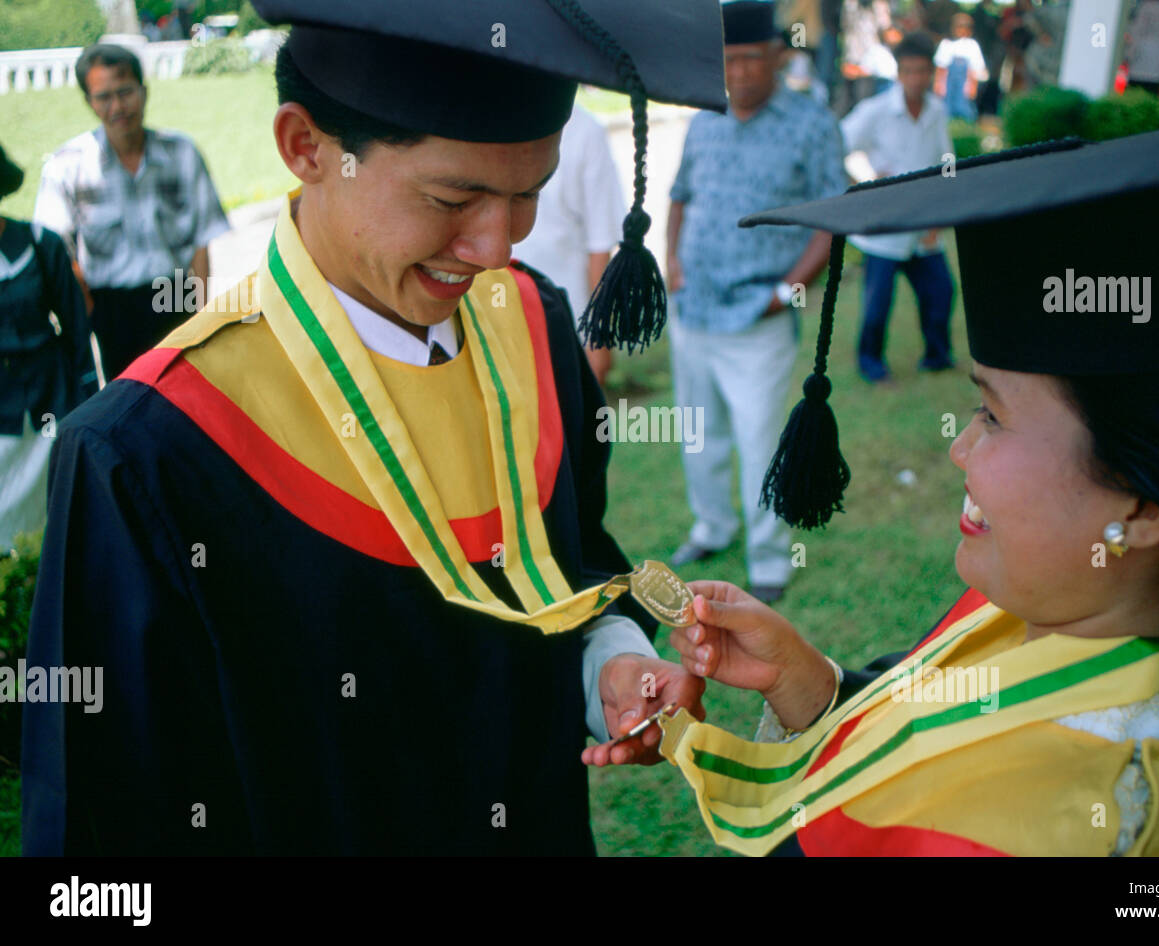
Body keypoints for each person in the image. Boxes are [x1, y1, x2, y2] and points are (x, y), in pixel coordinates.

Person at [21, 0, 727, 855]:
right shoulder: (151, 447)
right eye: (452, 197)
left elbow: (569, 563)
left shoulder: (532, 327)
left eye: (529, 196)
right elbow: (107, 802)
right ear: (305, 146)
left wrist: (606, 662)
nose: (495, 248)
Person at [622, 108, 1159, 856]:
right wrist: (805, 681)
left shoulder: (1061, 823)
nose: (960, 448)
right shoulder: (1050, 608)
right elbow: (914, 745)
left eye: (993, 415)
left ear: (1140, 505)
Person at [664, 0, 847, 606]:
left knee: (761, 440)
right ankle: (711, 526)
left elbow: (831, 222)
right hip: (694, 310)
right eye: (728, 62)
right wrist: (674, 261)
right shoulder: (703, 118)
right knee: (699, 434)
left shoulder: (810, 123)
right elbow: (681, 195)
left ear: (776, 55)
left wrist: (786, 293)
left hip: (757, 318)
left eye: (750, 59)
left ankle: (769, 557)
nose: (739, 74)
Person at [32, 43, 230, 381]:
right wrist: (92, 312)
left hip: (173, 295)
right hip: (113, 307)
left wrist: (200, 314)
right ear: (89, 102)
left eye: (126, 92)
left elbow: (202, 239)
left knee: (186, 399)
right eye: (103, 96)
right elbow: (55, 249)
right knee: (128, 407)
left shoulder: (182, 153)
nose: (118, 106)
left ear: (144, 90)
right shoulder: (68, 166)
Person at [840, 32, 955, 383]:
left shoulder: (936, 111)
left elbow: (946, 161)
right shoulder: (876, 111)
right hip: (885, 229)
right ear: (898, 73)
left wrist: (939, 213)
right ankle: (871, 365)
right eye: (908, 71)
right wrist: (864, 179)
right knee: (877, 305)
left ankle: (937, 357)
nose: (915, 78)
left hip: (923, 225)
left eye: (922, 71)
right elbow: (836, 145)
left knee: (941, 292)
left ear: (932, 71)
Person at [0, 145, 98, 551]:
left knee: (59, 518)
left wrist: (90, 402)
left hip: (51, 402)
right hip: (2, 419)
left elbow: (77, 330)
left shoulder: (40, 244)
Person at [513, 103, 626, 388]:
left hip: (567, 310)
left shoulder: (584, 131)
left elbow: (600, 243)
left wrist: (598, 334)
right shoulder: (490, 113)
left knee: (573, 416)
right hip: (499, 304)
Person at [934, 12, 988, 120]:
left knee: (965, 108)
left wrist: (973, 86)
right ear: (952, 28)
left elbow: (975, 68)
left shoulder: (972, 45)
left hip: (965, 83)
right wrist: (938, 85)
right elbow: (941, 68)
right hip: (948, 83)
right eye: (959, 26)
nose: (962, 30)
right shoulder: (946, 44)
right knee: (946, 108)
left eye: (966, 27)